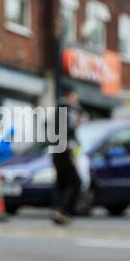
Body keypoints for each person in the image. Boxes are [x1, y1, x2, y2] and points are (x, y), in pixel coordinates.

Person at [51, 90, 84, 225]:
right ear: (70, 96)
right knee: (75, 182)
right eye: (75, 98)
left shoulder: (61, 109)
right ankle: (64, 210)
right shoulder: (68, 110)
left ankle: (57, 211)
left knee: (61, 183)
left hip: (57, 152)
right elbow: (68, 134)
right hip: (64, 152)